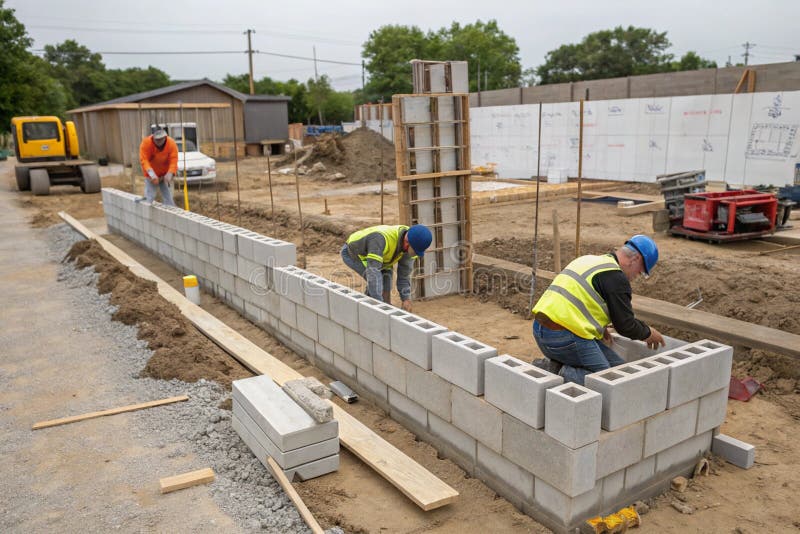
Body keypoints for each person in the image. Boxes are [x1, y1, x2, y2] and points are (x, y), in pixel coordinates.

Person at [531, 234, 666, 385]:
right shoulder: (616, 277)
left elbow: (580, 301)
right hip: (564, 338)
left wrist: (599, 328)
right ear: (635, 259)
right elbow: (625, 325)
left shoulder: (590, 260)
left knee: (619, 371)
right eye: (640, 272)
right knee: (607, 381)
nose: (636, 277)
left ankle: (555, 366)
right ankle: (556, 372)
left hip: (540, 331)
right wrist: (647, 333)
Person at [341, 224, 432, 311]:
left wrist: (405, 299)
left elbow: (404, 275)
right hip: (354, 253)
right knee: (377, 288)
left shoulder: (413, 243)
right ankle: (366, 310)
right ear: (406, 241)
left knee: (385, 290)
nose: (410, 253)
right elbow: (373, 273)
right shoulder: (380, 239)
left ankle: (373, 307)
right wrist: (380, 306)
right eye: (412, 250)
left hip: (384, 259)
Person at [139, 128, 178, 206]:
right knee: (150, 196)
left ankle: (170, 210)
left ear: (165, 137)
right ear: (152, 137)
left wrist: (170, 173)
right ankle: (146, 211)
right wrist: (152, 175)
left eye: (161, 139)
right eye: (157, 139)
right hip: (151, 175)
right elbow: (144, 160)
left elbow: (174, 160)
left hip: (165, 174)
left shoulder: (171, 143)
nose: (160, 141)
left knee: (168, 197)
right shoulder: (146, 143)